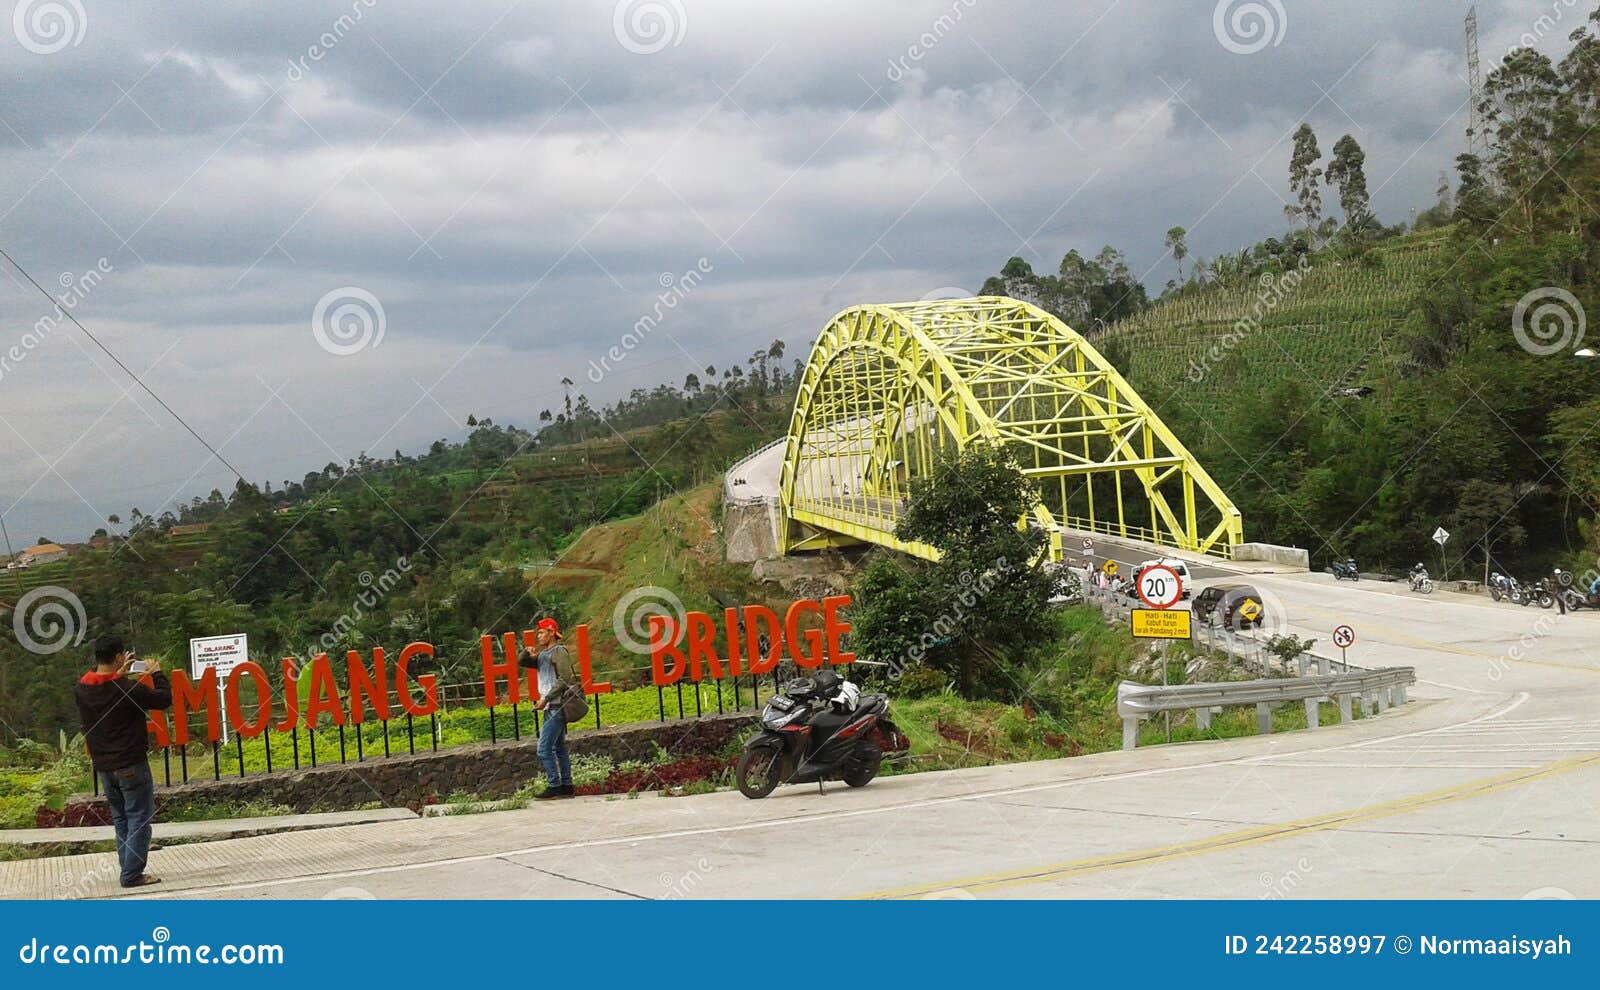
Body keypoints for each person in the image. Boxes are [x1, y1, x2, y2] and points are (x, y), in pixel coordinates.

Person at [74, 635, 171, 888]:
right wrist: (156, 673)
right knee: (139, 817)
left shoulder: (82, 689)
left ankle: (128, 866)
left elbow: (104, 689)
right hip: (131, 764)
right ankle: (131, 875)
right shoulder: (129, 689)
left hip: (104, 767)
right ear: (119, 657)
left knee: (121, 819)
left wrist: (120, 674)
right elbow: (163, 699)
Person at [520, 618, 577, 799]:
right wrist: (526, 652)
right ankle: (567, 786)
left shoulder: (559, 652)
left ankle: (554, 785)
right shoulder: (543, 655)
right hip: (549, 707)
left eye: (542, 632)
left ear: (552, 632)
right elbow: (522, 662)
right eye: (538, 633)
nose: (539, 636)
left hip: (556, 705)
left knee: (543, 749)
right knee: (559, 748)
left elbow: (565, 678)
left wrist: (546, 698)